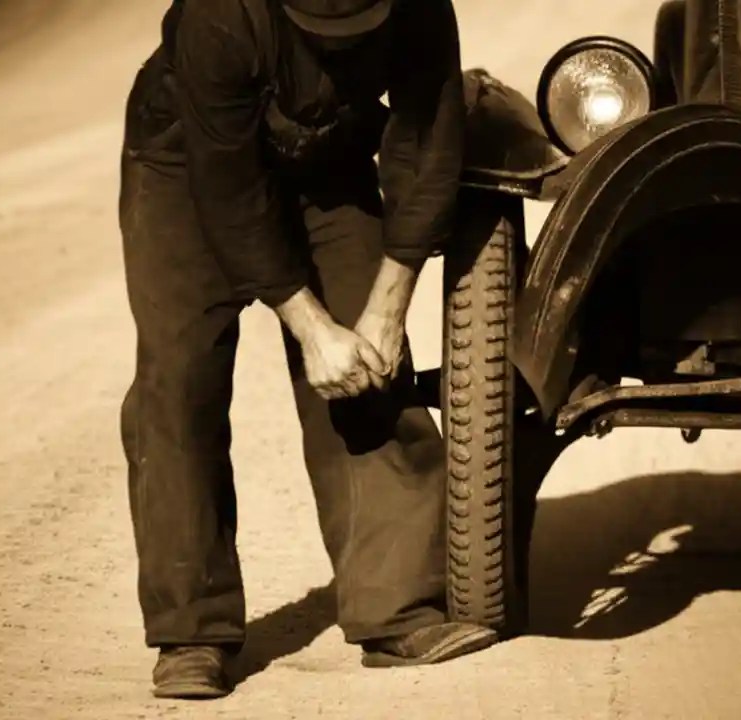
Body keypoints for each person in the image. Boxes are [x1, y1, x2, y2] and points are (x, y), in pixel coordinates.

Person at [117, 0, 498, 700]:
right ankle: (191, 629)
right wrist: (310, 327)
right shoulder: (220, 17)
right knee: (181, 377)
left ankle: (398, 604)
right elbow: (231, 196)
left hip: (328, 148)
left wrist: (385, 307)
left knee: (371, 367)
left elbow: (426, 143)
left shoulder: (419, 9)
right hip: (188, 156)